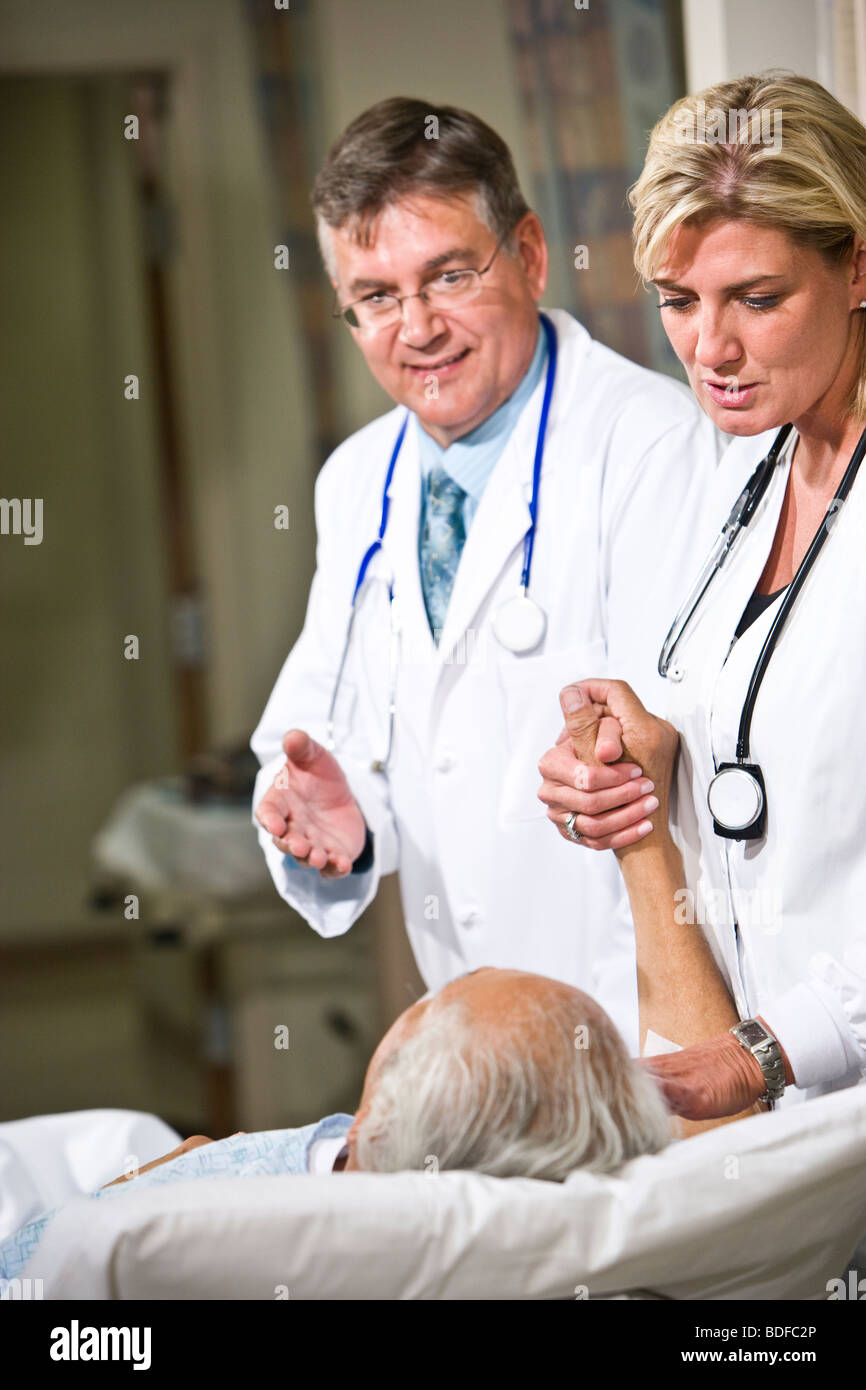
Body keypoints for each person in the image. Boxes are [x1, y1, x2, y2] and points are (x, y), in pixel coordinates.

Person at [251, 97, 720, 1052]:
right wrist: (338, 824)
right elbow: (322, 741)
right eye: (376, 296)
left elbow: (686, 770)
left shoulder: (649, 444)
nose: (416, 327)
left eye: (449, 275)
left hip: (641, 1027)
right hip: (472, 1032)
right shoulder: (357, 483)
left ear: (532, 254)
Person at [538, 72, 866, 1118]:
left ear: (858, 264)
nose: (708, 351)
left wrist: (764, 1053)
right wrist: (625, 774)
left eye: (756, 300)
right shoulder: (744, 474)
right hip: (778, 1141)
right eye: (679, 302)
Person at [0, 967, 671, 1283]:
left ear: (369, 1122)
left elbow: (39, 1267)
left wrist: (163, 1179)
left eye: (436, 1002)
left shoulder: (166, 1213)